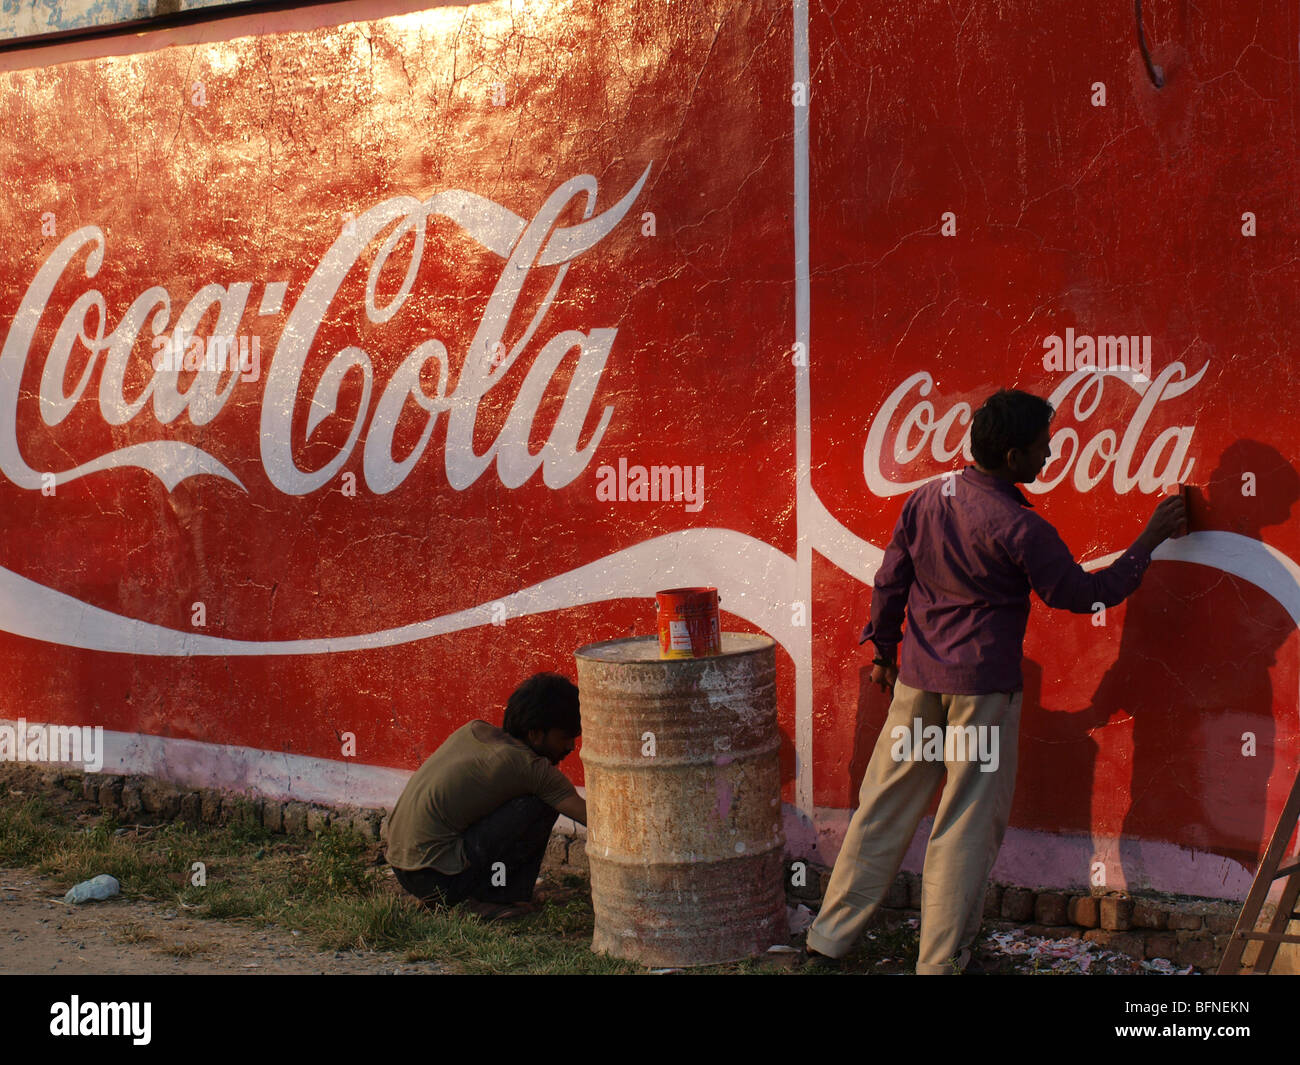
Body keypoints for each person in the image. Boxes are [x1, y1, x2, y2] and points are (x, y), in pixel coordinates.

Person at [805, 388, 1186, 972]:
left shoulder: (926, 497)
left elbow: (890, 580)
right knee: (963, 828)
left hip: (915, 686)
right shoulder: (1020, 527)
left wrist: (883, 648)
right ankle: (939, 963)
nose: (1051, 455)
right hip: (980, 696)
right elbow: (1082, 595)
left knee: (880, 812)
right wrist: (1148, 542)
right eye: (1042, 447)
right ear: (1011, 457)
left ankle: (827, 941)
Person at [384, 672, 588, 920]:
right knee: (541, 805)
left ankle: (460, 895)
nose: (570, 747)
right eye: (565, 737)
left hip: (404, 869)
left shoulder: (473, 730)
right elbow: (591, 818)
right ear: (535, 733)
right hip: (437, 877)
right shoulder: (528, 767)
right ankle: (494, 899)